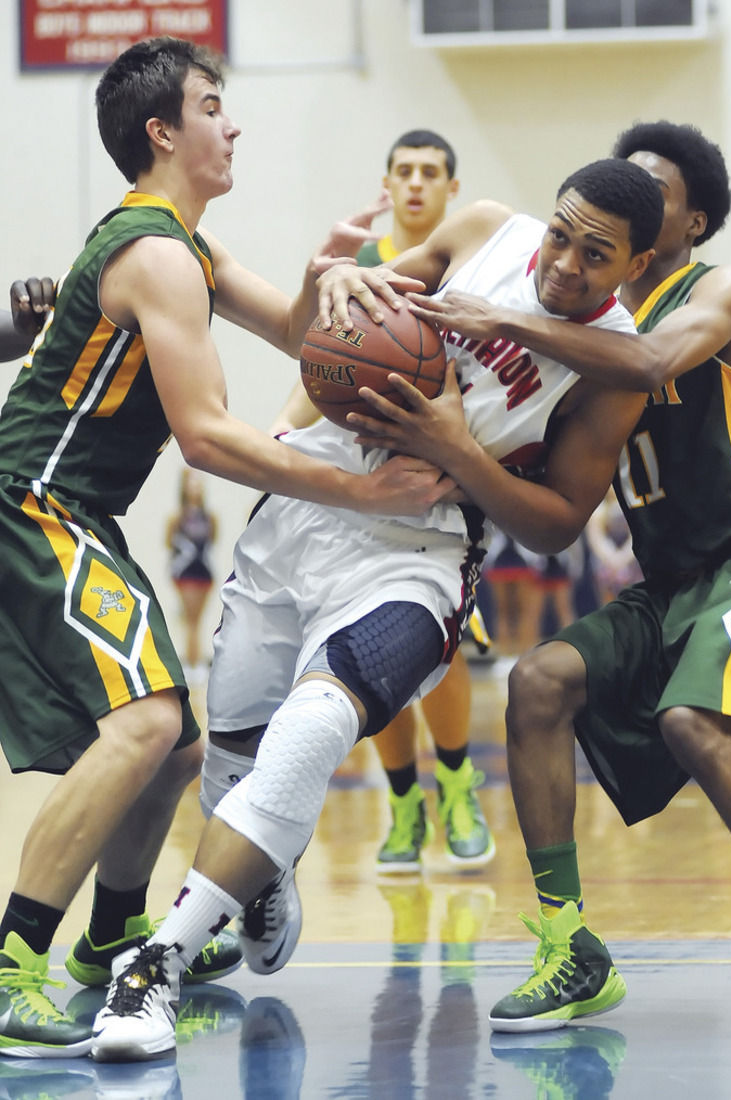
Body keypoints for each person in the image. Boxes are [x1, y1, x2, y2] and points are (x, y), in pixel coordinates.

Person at [89, 154, 665, 1061]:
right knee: (233, 754)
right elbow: (352, 314)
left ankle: (155, 963)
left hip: (419, 550)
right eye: (561, 234)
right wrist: (347, 281)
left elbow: (555, 524)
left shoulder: (613, 367)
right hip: (302, 509)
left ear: (633, 265)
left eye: (595, 255)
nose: (563, 263)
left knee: (314, 725)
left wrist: (456, 448)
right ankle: (261, 872)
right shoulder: (484, 228)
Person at [0, 36, 449, 1060]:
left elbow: (303, 339)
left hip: (71, 510)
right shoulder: (153, 253)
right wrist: (359, 487)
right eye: (213, 105)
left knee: (180, 749)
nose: (232, 121)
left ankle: (111, 939)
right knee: (147, 722)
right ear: (164, 131)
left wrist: (326, 278)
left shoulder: (185, 247)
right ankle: (13, 963)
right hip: (34, 503)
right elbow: (205, 436)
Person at [450, 120, 731, 1038]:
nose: (630, 193)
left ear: (683, 229)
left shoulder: (722, 290)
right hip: (668, 583)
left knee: (691, 719)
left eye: (654, 189)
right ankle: (569, 949)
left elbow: (650, 361)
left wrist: (498, 316)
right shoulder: (580, 323)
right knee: (536, 684)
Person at [313, 129, 494, 874]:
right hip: (369, 468)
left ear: (453, 189)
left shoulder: (473, 263)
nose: (416, 184)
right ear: (386, 184)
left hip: (449, 476)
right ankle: (403, 801)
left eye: (430, 173)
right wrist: (284, 427)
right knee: (370, 639)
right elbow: (320, 361)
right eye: (404, 172)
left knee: (440, 648)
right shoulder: (357, 265)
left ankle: (455, 781)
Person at [166, 467, 218, 674]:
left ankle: (196, 662)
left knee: (198, 620)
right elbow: (169, 543)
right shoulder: (177, 518)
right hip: (184, 573)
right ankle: (189, 663)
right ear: (184, 486)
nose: (196, 486)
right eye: (191, 482)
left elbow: (212, 541)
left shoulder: (209, 517)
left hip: (203, 572)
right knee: (189, 620)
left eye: (199, 481)